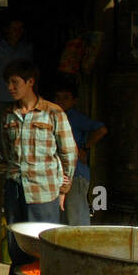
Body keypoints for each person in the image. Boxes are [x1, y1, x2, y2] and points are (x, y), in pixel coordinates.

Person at [2, 58, 76, 275]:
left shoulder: (53, 113)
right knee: (16, 247)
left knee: (40, 250)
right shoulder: (8, 114)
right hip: (15, 189)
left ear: (30, 82)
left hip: (44, 192)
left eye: (15, 82)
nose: (10, 87)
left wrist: (63, 189)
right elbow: (8, 151)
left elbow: (69, 153)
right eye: (8, 82)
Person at [53, 76, 107, 226]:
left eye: (66, 98)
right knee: (63, 220)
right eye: (57, 97)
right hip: (60, 175)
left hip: (76, 174)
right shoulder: (53, 116)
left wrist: (85, 148)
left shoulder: (74, 117)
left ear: (74, 101)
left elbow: (101, 129)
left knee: (76, 219)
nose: (61, 101)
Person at [0, 17, 33, 154]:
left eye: (20, 29)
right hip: (2, 96)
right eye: (14, 29)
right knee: (1, 131)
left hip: (22, 99)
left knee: (21, 131)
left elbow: (31, 74)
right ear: (7, 30)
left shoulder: (26, 49)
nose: (17, 32)